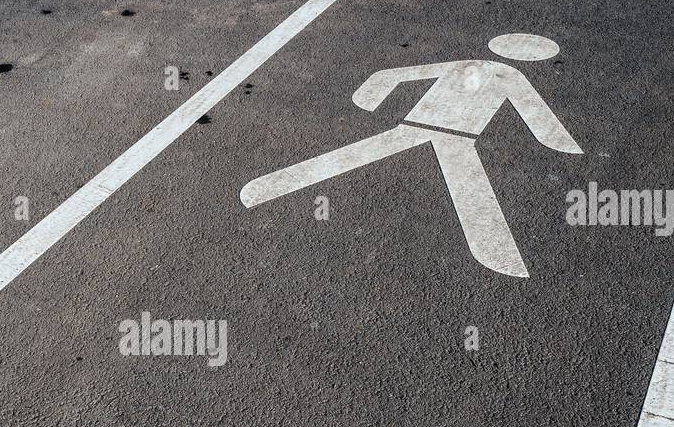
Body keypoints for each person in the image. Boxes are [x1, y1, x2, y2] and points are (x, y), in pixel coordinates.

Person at [240, 33, 582, 278]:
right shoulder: (508, 74)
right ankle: (497, 253)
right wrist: (560, 144)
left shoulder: (476, 67)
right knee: (469, 187)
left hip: (431, 127)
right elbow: (536, 115)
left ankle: (266, 188)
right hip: (450, 132)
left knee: (362, 154)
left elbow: (394, 76)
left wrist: (370, 97)